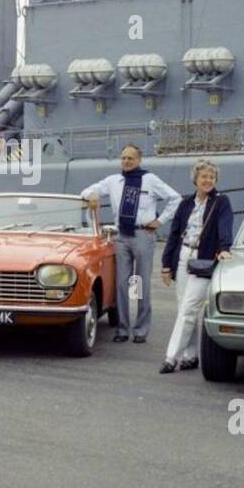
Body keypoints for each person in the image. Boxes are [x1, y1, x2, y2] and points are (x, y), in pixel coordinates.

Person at [82, 144, 181, 343]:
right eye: (123, 158)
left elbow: (175, 198)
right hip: (121, 237)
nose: (126, 161)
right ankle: (123, 329)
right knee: (122, 284)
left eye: (130, 158)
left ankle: (141, 330)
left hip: (143, 235)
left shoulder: (149, 180)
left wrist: (160, 220)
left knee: (140, 284)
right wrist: (92, 196)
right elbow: (87, 191)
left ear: (139, 160)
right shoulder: (113, 181)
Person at [159, 159, 233, 373]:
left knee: (190, 308)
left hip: (204, 258)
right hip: (183, 256)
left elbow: (225, 225)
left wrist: (225, 247)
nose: (208, 180)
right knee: (184, 309)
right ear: (195, 179)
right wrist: (166, 265)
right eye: (204, 177)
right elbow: (173, 234)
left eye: (211, 177)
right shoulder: (185, 204)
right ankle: (191, 356)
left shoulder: (221, 202)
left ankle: (171, 357)